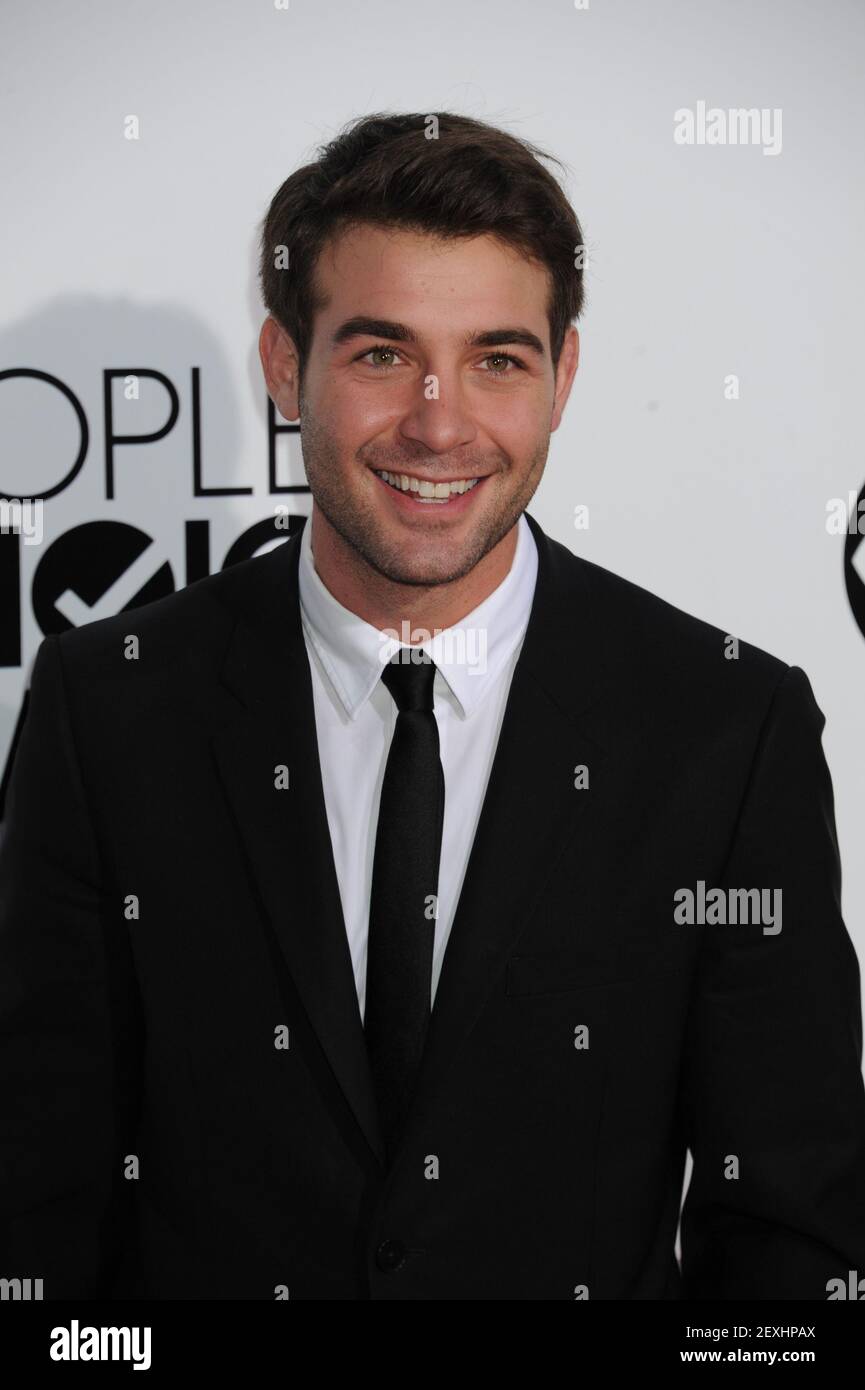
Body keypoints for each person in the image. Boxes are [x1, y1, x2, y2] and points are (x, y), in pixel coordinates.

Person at [1, 111, 864, 1301]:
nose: (438, 421)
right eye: (379, 354)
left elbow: (789, 1231)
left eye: (496, 360)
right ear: (283, 366)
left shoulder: (724, 727)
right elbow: (38, 1198)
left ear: (562, 379)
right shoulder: (108, 710)